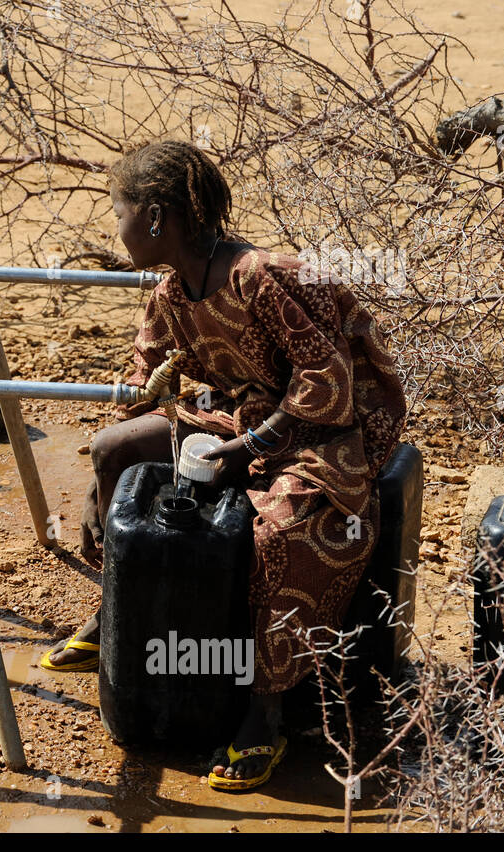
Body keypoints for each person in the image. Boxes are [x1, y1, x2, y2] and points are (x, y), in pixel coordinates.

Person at [40, 140, 406, 791]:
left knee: (277, 537)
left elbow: (327, 378)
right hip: (224, 420)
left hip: (318, 434)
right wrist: (109, 491)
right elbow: (142, 381)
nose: (113, 227)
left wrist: (248, 450)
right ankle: (114, 614)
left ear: (155, 216)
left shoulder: (256, 277)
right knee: (113, 450)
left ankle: (265, 715)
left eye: (117, 210)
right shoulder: (172, 292)